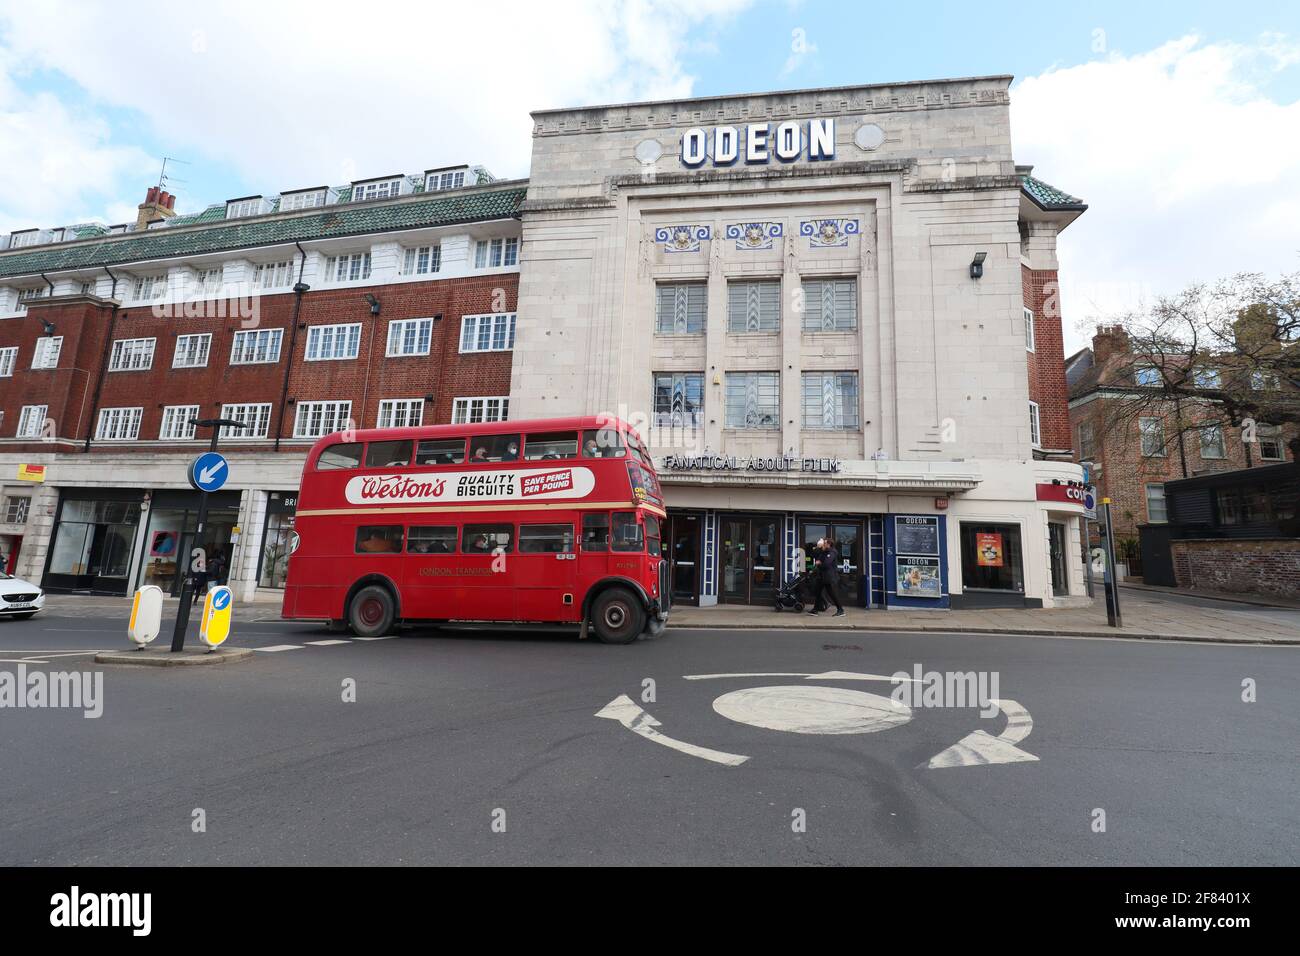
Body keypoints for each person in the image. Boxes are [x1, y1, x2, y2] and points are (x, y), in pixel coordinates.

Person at [811, 537, 845, 617]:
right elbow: (816, 556)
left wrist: (819, 563)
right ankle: (815, 610)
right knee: (818, 592)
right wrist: (818, 547)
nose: (823, 544)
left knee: (831, 593)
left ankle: (840, 610)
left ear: (829, 544)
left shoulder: (832, 552)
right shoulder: (825, 551)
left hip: (828, 577)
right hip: (823, 576)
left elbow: (826, 564)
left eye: (825, 543)